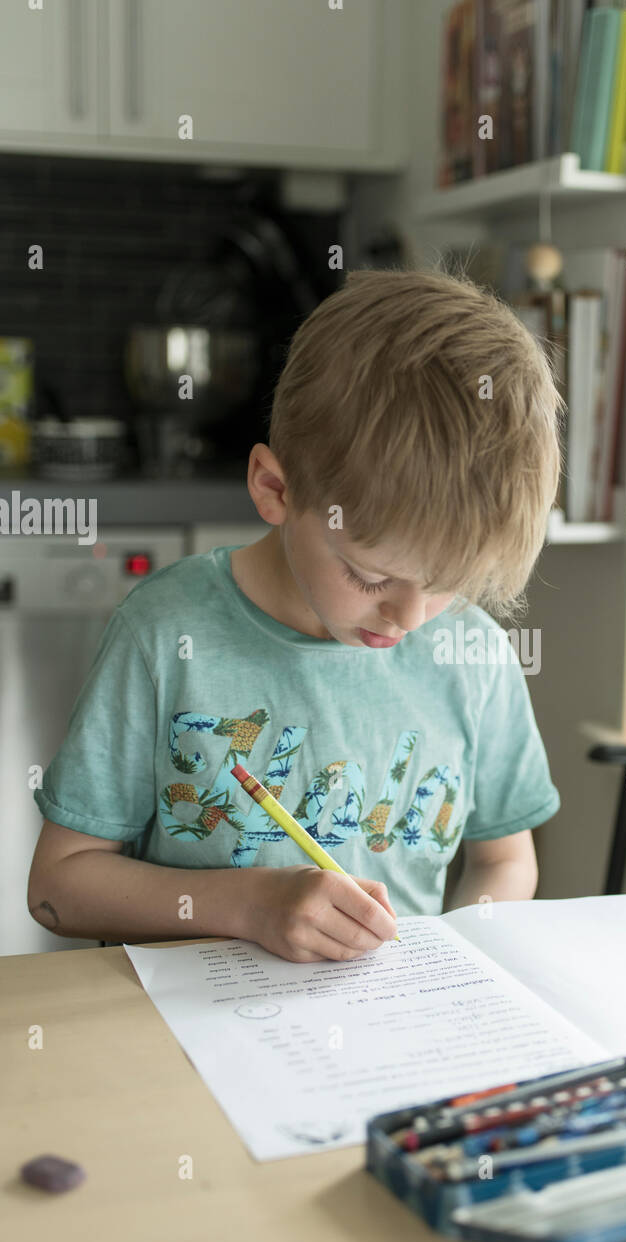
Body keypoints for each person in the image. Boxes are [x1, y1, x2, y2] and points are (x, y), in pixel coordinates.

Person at [28, 268, 564, 963]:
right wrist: (247, 906)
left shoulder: (472, 655)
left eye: (448, 587)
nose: (408, 617)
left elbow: (504, 862)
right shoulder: (166, 632)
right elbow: (57, 889)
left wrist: (450, 962)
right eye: (369, 576)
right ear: (274, 488)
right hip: (188, 1040)